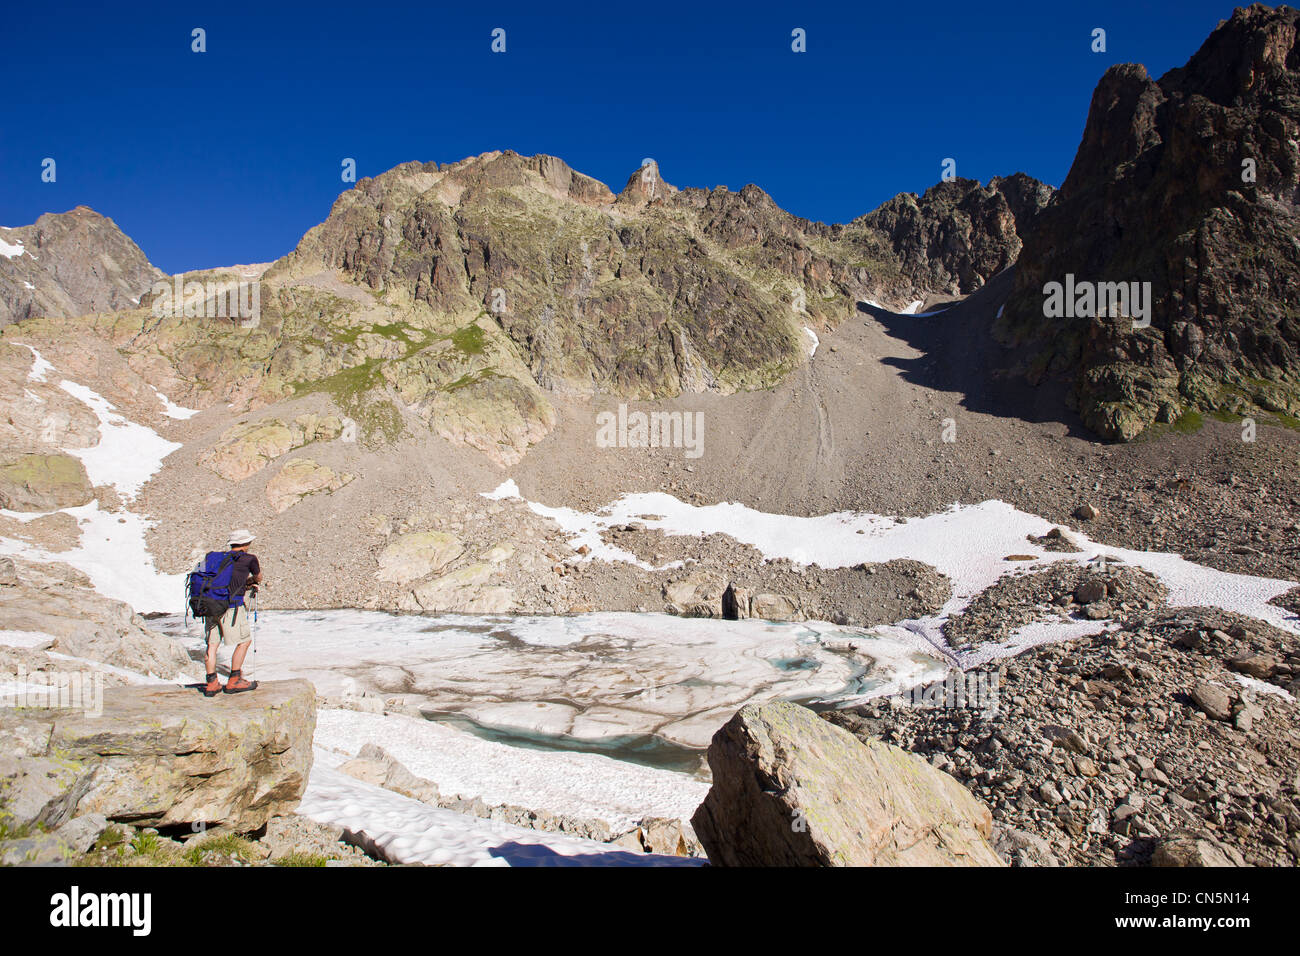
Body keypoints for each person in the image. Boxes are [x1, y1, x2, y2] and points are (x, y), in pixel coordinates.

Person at [202, 529, 263, 696]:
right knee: (244, 641)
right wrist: (250, 582)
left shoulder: (217, 558)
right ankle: (234, 679)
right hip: (232, 607)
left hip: (211, 605)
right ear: (245, 544)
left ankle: (211, 682)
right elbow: (258, 577)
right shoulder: (249, 559)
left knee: (212, 645)